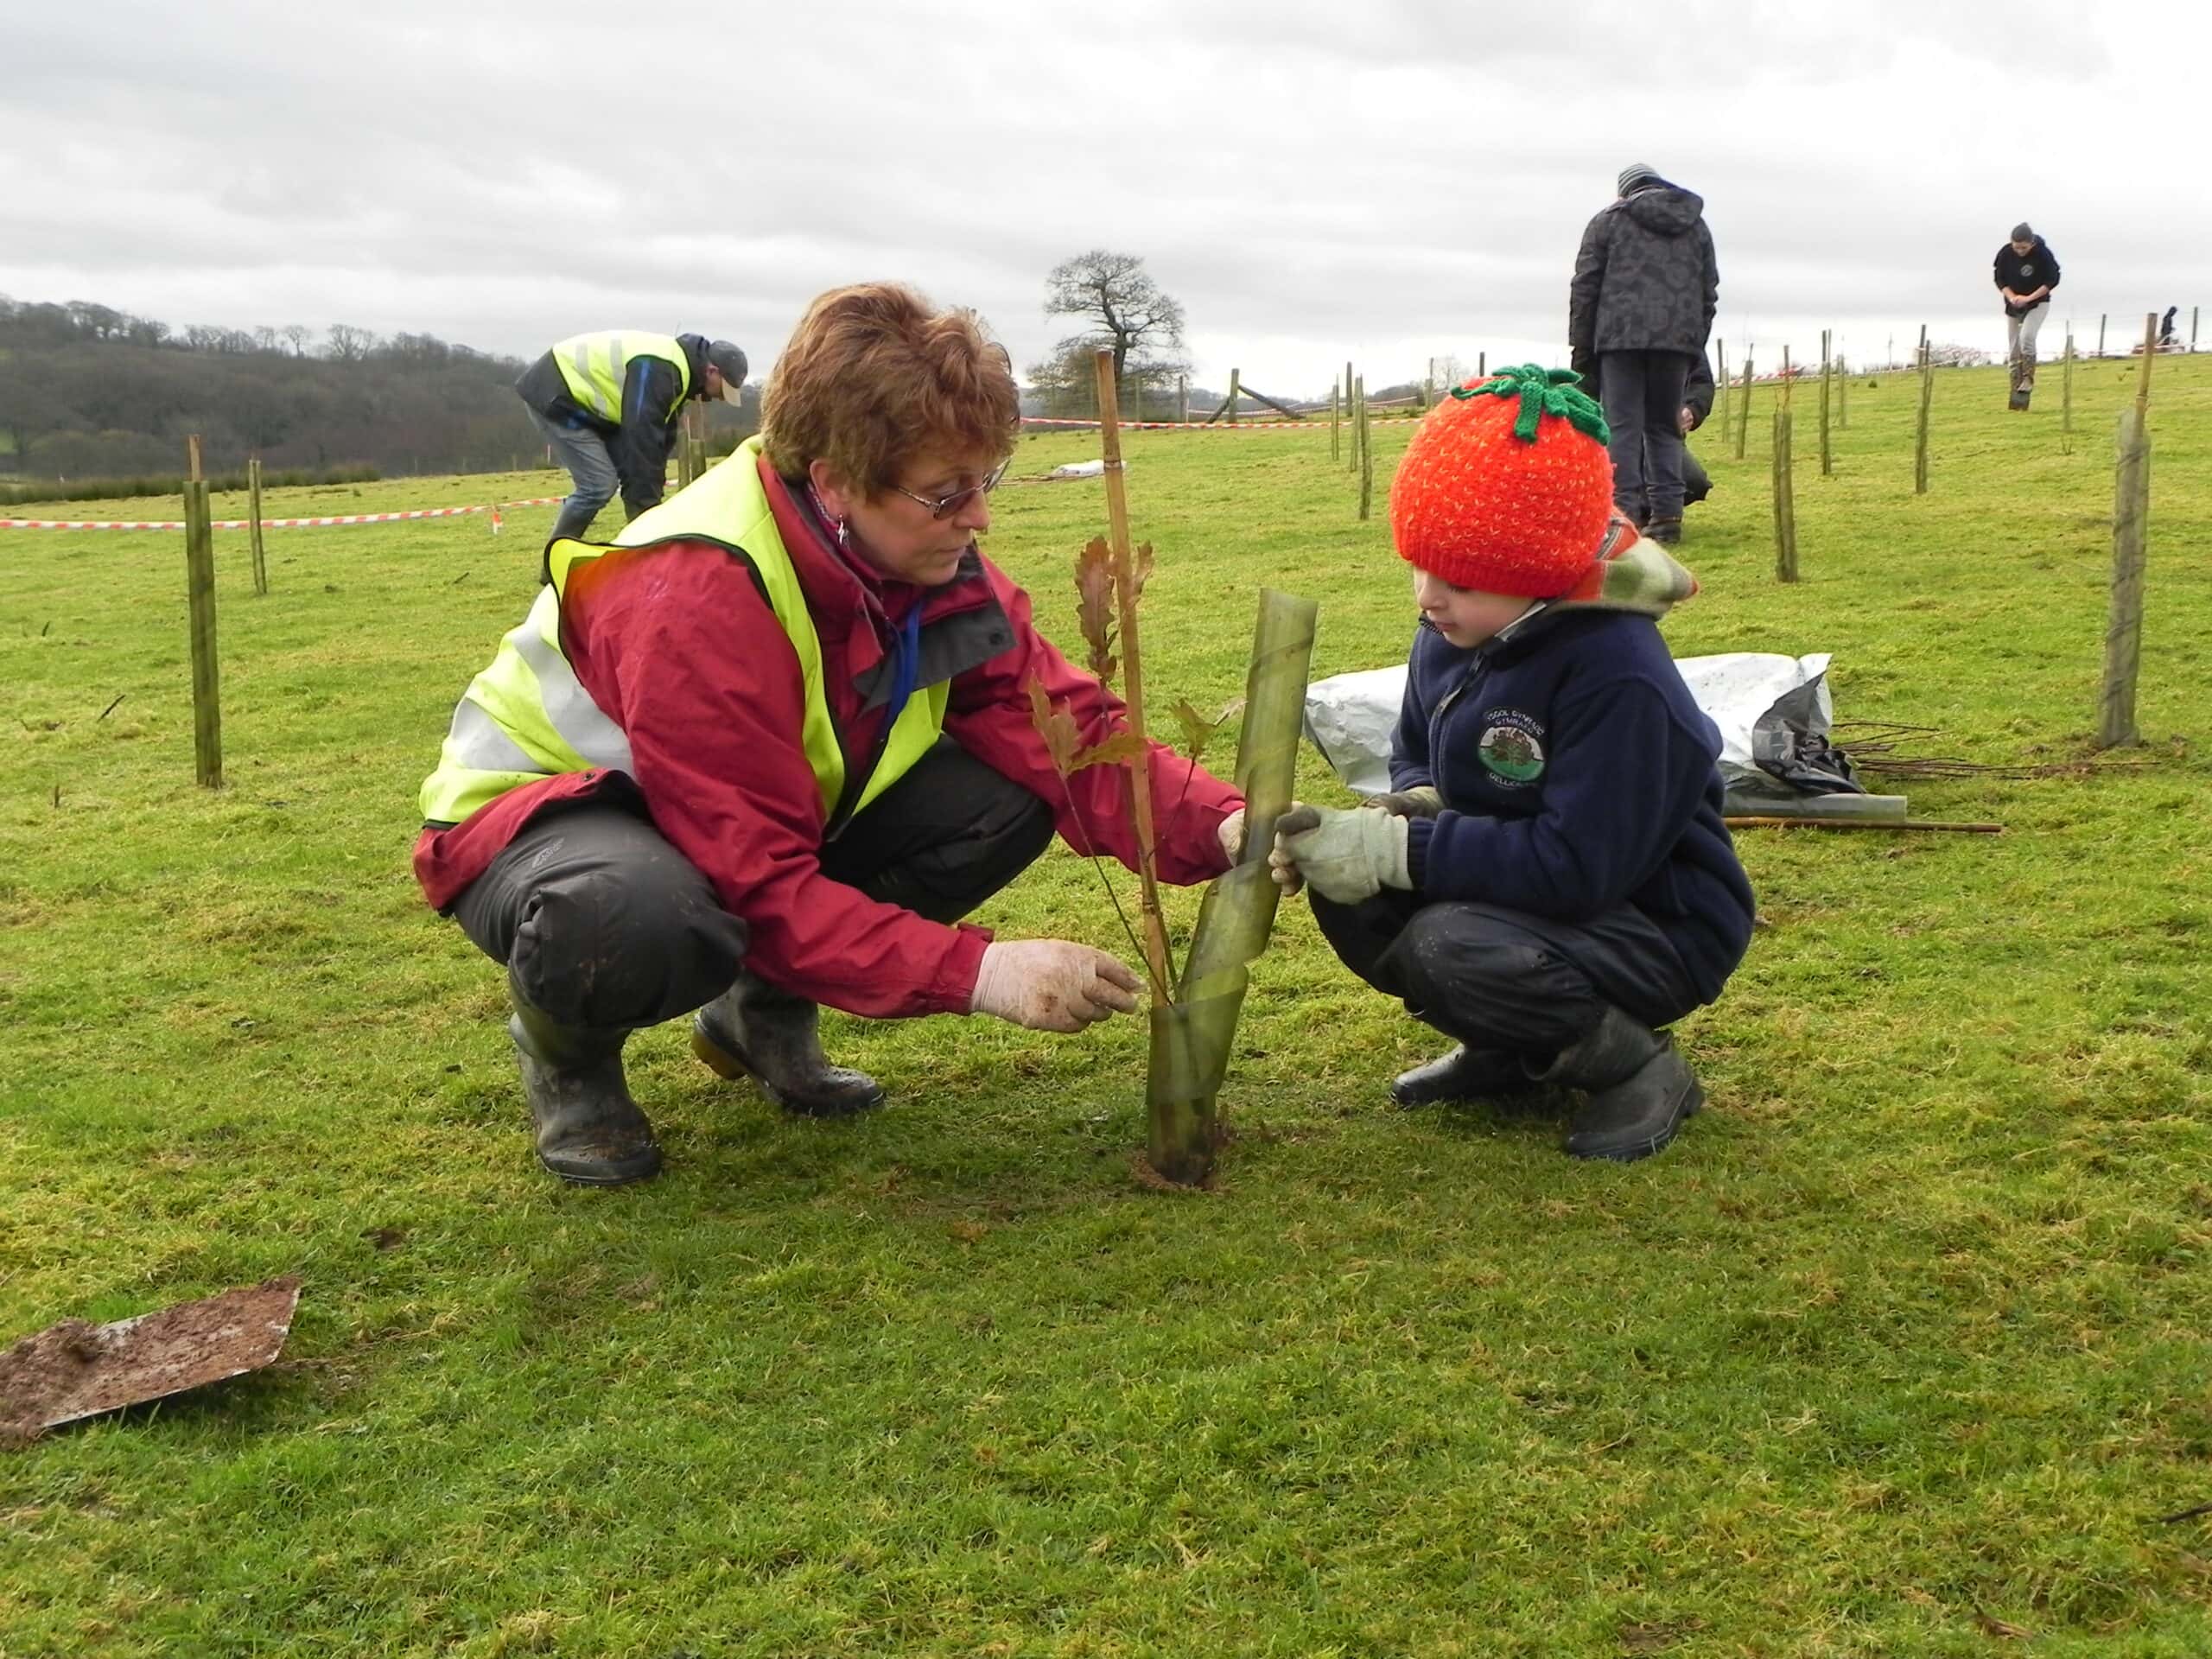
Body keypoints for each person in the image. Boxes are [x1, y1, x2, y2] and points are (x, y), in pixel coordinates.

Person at [419, 283, 1246, 1185]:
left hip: (732, 824)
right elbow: (756, 879)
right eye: (945, 493)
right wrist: (976, 973)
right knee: (633, 911)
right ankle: (568, 1057)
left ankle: (757, 1017)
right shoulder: (699, 595)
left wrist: (1224, 825)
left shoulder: (921, 559)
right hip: (548, 832)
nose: (980, 518)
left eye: (985, 481)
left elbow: (1067, 734)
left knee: (1010, 790)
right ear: (837, 484)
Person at [1268, 365, 1755, 1163]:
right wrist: (1407, 810)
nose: (1428, 596)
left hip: (1654, 927)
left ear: (1539, 573)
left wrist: (1406, 849)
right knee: (1352, 889)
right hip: (1533, 897)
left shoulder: (1620, 676)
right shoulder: (1454, 633)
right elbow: (1415, 754)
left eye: (1458, 579)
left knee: (1449, 941)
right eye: (1419, 566)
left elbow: (1579, 866)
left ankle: (1639, 1067)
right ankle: (1505, 1046)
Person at [1568, 163, 1719, 546]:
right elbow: (1709, 291)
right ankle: (1668, 516)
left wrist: (1582, 351)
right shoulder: (1696, 226)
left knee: (1622, 427)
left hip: (1619, 342)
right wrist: (1693, 340)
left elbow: (1585, 288)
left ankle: (1623, 517)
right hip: (1677, 344)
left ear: (1624, 193)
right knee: (1665, 427)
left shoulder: (1607, 223)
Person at [515, 330, 750, 543]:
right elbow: (641, 438)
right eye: (723, 389)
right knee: (598, 486)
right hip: (555, 392)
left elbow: (658, 444)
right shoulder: (660, 370)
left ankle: (634, 540)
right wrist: (645, 515)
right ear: (712, 371)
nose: (721, 397)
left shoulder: (679, 376)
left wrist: (653, 503)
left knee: (628, 477)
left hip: (582, 404)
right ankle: (555, 557)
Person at [1993, 224, 2060, 410]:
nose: (2020, 251)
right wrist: (2012, 297)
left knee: (2027, 337)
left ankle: (2028, 378)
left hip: (2038, 302)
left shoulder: (2043, 254)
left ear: (2031, 243)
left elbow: (2052, 280)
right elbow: (2000, 280)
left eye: (2024, 247)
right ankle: (2016, 390)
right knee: (2014, 348)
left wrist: (2028, 298)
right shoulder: (2005, 254)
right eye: (2016, 247)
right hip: (2014, 304)